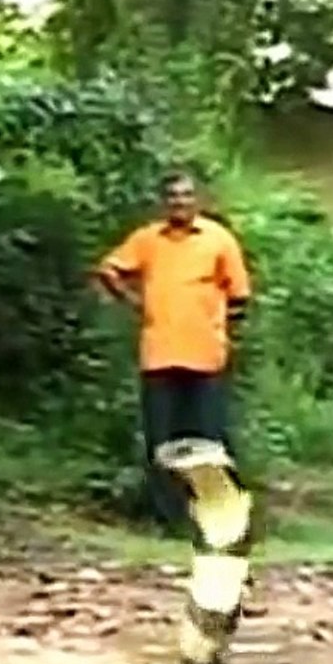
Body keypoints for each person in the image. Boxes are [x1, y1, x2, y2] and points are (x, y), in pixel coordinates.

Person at [94, 172, 253, 538]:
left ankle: (216, 521)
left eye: (186, 195)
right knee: (161, 441)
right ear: (163, 202)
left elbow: (240, 295)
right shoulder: (148, 239)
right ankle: (166, 520)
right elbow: (109, 270)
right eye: (172, 196)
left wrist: (219, 330)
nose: (179, 202)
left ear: (198, 200)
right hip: (160, 355)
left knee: (209, 442)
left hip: (206, 357)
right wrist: (134, 302)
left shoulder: (218, 239)